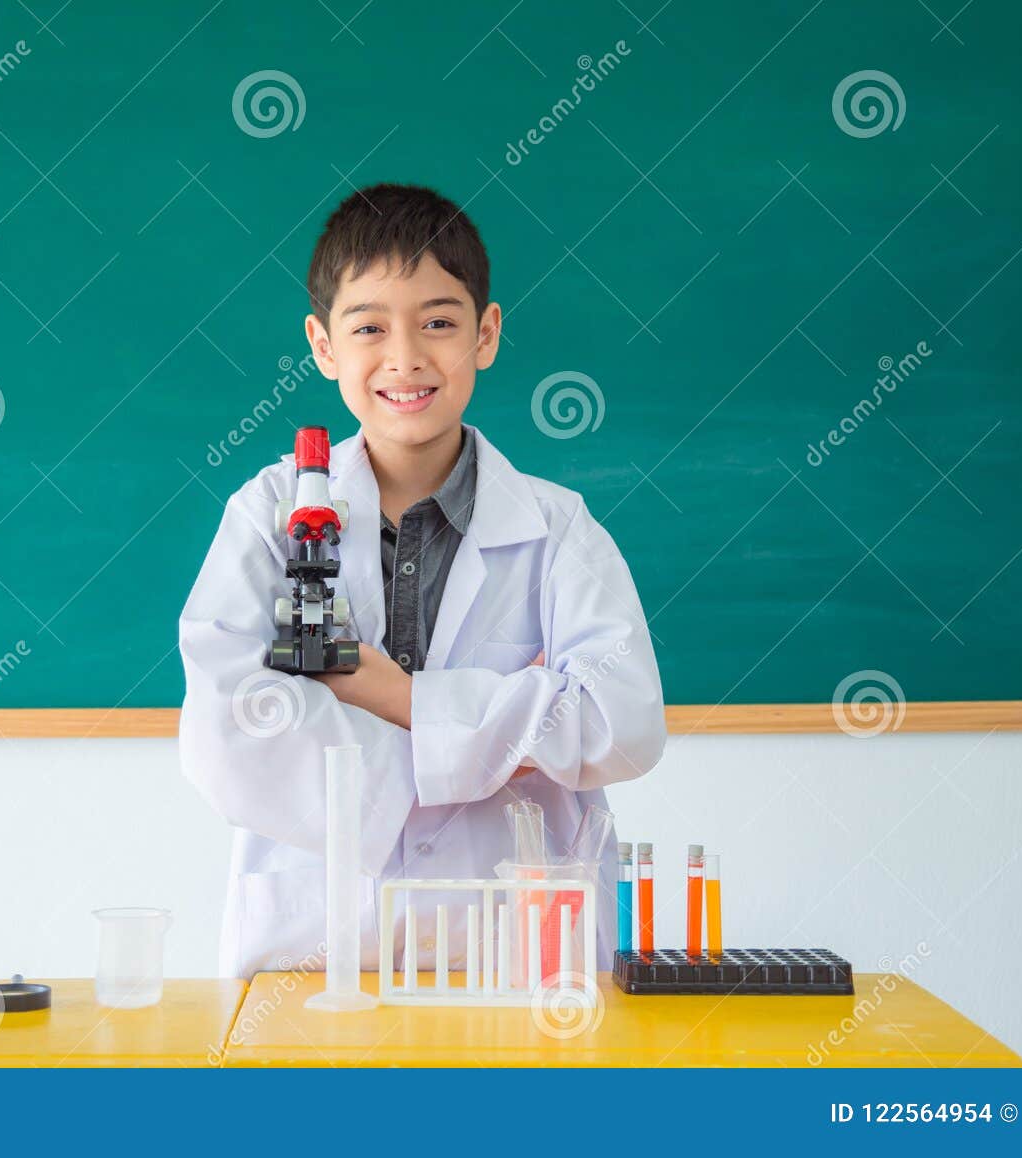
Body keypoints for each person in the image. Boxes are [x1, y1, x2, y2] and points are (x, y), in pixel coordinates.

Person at [178, 182, 666, 978]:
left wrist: (388, 695)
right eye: (369, 326)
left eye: (439, 321)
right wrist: (506, 730)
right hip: (319, 947)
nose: (405, 357)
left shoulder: (558, 527)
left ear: (487, 332)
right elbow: (228, 733)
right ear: (323, 343)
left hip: (518, 953)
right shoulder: (269, 511)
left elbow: (623, 720)